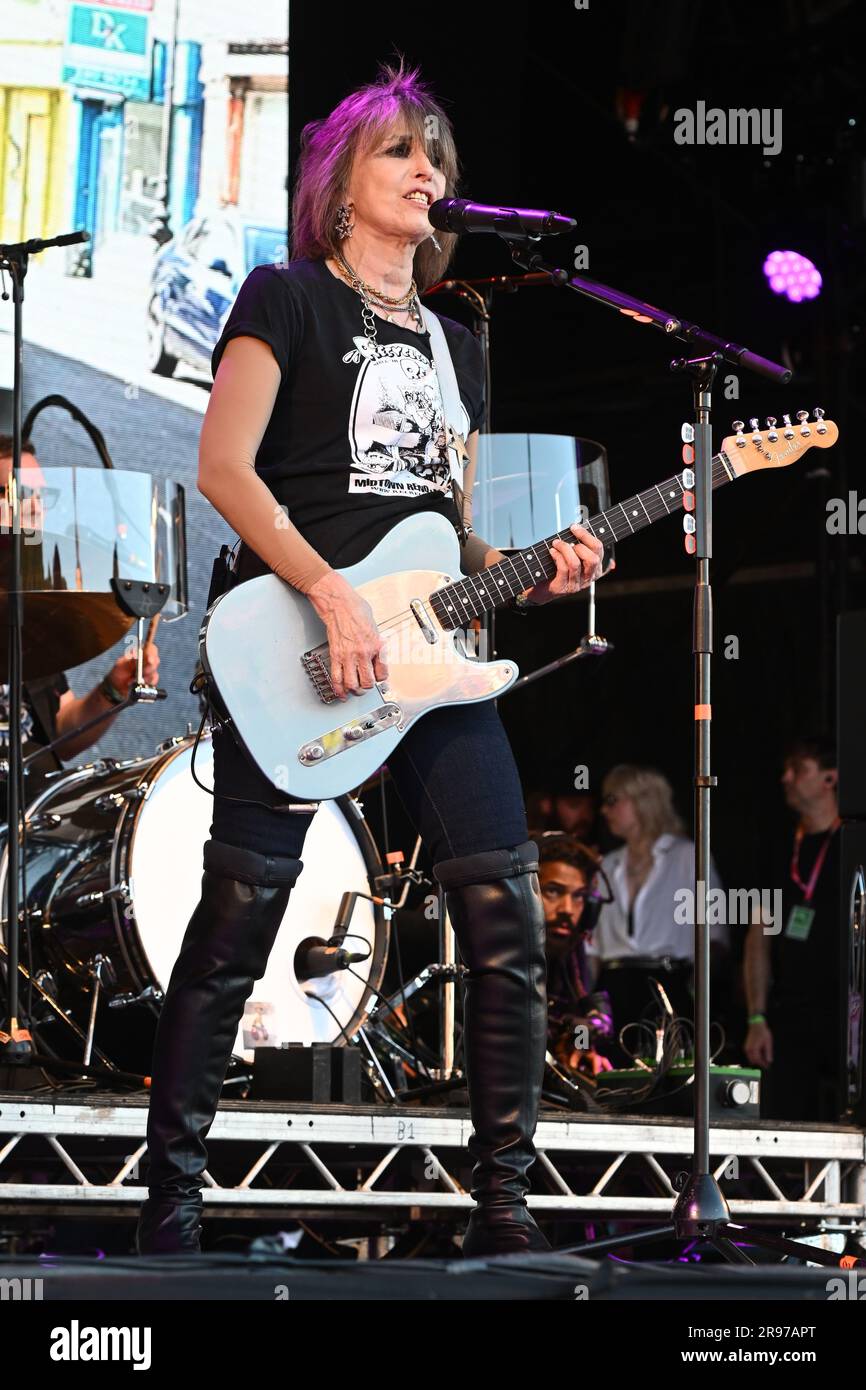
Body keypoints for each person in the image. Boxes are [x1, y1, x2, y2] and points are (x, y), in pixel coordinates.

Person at [135, 60, 605, 1259]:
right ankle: (172, 1209)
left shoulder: (457, 343)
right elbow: (227, 470)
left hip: (424, 655)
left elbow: (441, 522)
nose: (428, 171)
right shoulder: (282, 297)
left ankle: (502, 1203)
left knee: (501, 907)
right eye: (401, 151)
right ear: (341, 183)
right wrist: (329, 596)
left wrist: (533, 563)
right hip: (292, 639)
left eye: (437, 155)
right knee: (237, 917)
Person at [0, 434, 160, 788]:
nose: (35, 507)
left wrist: (112, 691)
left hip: (27, 814)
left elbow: (60, 735)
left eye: (41, 496)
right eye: (16, 493)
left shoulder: (29, 608)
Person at [586, 764, 726, 1064]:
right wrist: (585, 1002)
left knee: (666, 1077)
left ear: (643, 800)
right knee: (614, 1076)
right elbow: (591, 949)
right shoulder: (606, 865)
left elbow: (714, 933)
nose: (603, 810)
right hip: (614, 988)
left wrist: (694, 992)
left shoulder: (688, 856)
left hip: (669, 985)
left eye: (613, 800)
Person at [742, 735, 841, 1122]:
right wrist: (756, 1016)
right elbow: (758, 935)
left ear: (830, 779)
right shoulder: (779, 846)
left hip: (845, 1009)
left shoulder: (852, 840)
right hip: (789, 1011)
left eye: (798, 770)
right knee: (785, 1117)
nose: (786, 778)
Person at [536, 832, 614, 1078]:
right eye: (553, 891)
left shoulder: (570, 947)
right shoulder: (491, 944)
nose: (568, 910)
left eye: (578, 896)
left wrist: (581, 1046)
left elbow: (586, 1016)